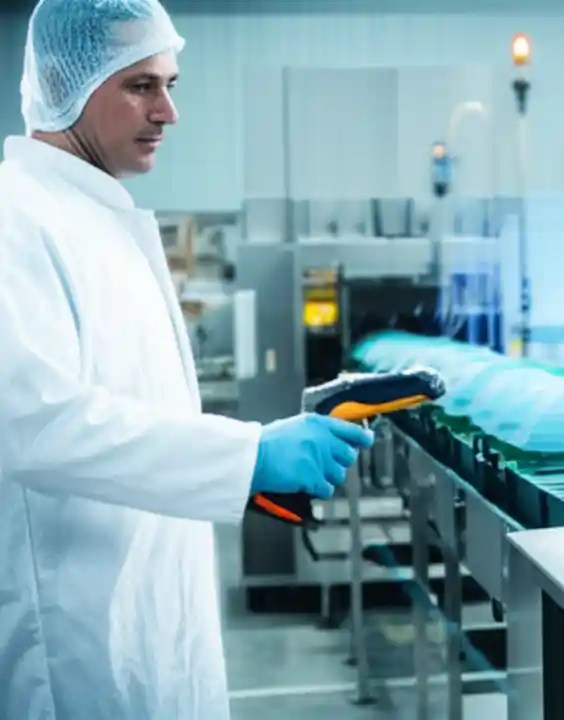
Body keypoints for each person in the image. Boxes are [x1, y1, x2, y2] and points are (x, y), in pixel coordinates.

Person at [0, 1, 374, 718]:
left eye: (171, 84)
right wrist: (248, 457)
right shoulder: (16, 217)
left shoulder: (98, 219)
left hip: (152, 619)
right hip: (74, 651)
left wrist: (241, 462)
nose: (168, 112)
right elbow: (33, 424)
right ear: (61, 81)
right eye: (141, 85)